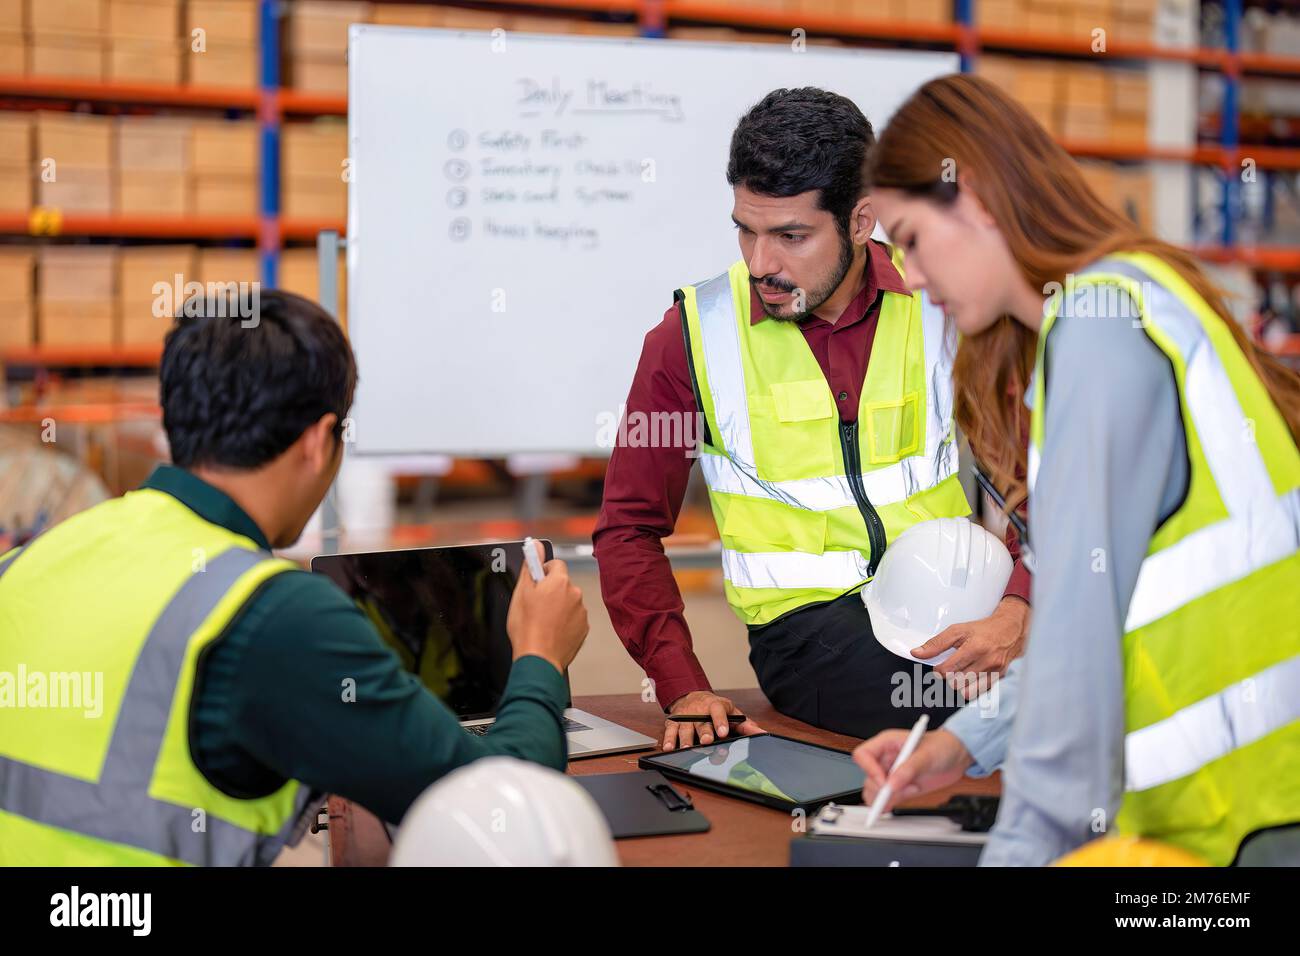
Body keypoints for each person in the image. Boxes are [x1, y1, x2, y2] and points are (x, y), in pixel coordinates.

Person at [854, 73, 1300, 866]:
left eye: (912, 240)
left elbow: (1076, 681)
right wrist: (963, 743)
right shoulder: (1128, 303)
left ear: (977, 196)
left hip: (1253, 831)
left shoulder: (1099, 329)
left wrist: (1020, 851)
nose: (912, 281)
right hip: (1239, 822)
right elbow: (1088, 624)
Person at [0, 290, 589, 866]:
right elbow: (500, 809)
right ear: (316, 441)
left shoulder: (29, 559)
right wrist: (540, 655)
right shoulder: (265, 612)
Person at [594, 87, 1033, 750]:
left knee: (1095, 678)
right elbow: (627, 529)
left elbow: (1037, 479)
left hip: (960, 596)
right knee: (968, 712)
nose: (760, 262)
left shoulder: (942, 298)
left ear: (861, 221)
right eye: (746, 228)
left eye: (791, 235)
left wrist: (1021, 603)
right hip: (811, 634)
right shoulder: (690, 336)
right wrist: (682, 686)